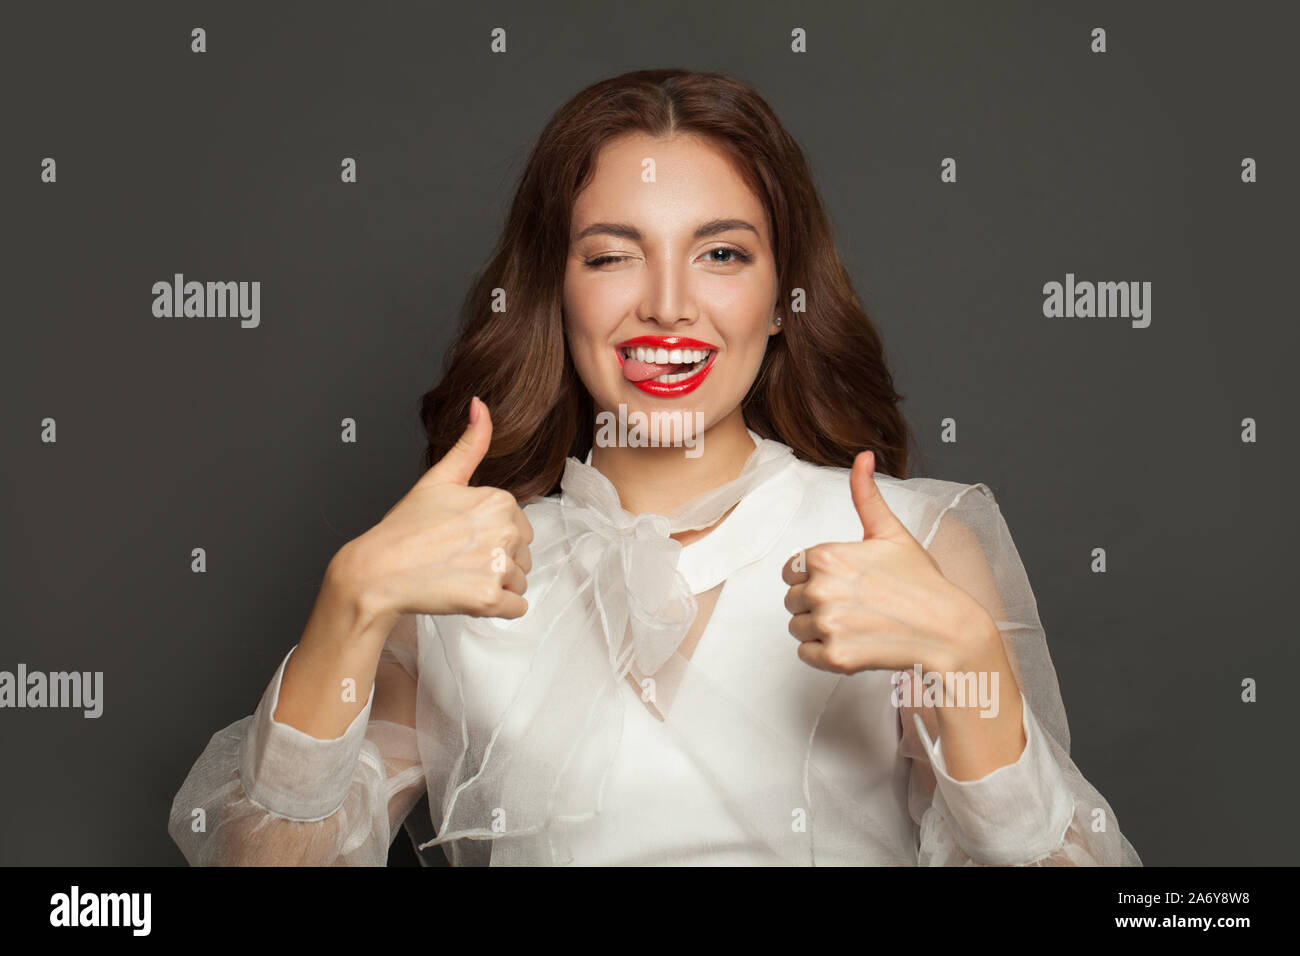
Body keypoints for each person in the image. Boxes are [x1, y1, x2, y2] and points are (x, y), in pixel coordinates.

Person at [168, 68, 1142, 867]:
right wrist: (350, 603)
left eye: (720, 253)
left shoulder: (911, 541)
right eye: (612, 256)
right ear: (557, 293)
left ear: (778, 300)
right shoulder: (455, 573)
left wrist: (968, 664)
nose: (669, 305)